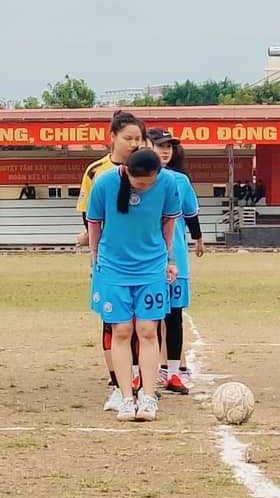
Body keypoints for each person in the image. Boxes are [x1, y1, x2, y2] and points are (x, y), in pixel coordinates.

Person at [86, 147, 181, 422]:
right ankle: (126, 398)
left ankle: (148, 397)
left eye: (150, 182)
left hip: (151, 266)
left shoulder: (168, 183)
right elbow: (94, 222)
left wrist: (170, 259)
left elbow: (169, 222)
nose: (145, 187)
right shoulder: (104, 183)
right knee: (122, 330)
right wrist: (95, 260)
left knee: (148, 330)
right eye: (140, 183)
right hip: (114, 267)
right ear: (127, 172)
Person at [79, 112, 146, 397]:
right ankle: (117, 381)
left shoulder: (148, 170)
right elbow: (88, 215)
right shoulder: (97, 172)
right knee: (114, 321)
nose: (133, 143)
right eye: (128, 138)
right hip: (110, 260)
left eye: (138, 138)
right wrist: (96, 249)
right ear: (113, 138)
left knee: (143, 323)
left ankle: (139, 376)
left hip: (143, 260)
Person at [148, 128, 202, 394]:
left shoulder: (180, 181)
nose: (165, 150)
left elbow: (191, 214)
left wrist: (198, 238)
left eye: (168, 146)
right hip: (147, 257)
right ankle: (154, 368)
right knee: (150, 316)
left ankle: (174, 370)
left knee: (174, 315)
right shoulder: (136, 179)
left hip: (175, 256)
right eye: (160, 145)